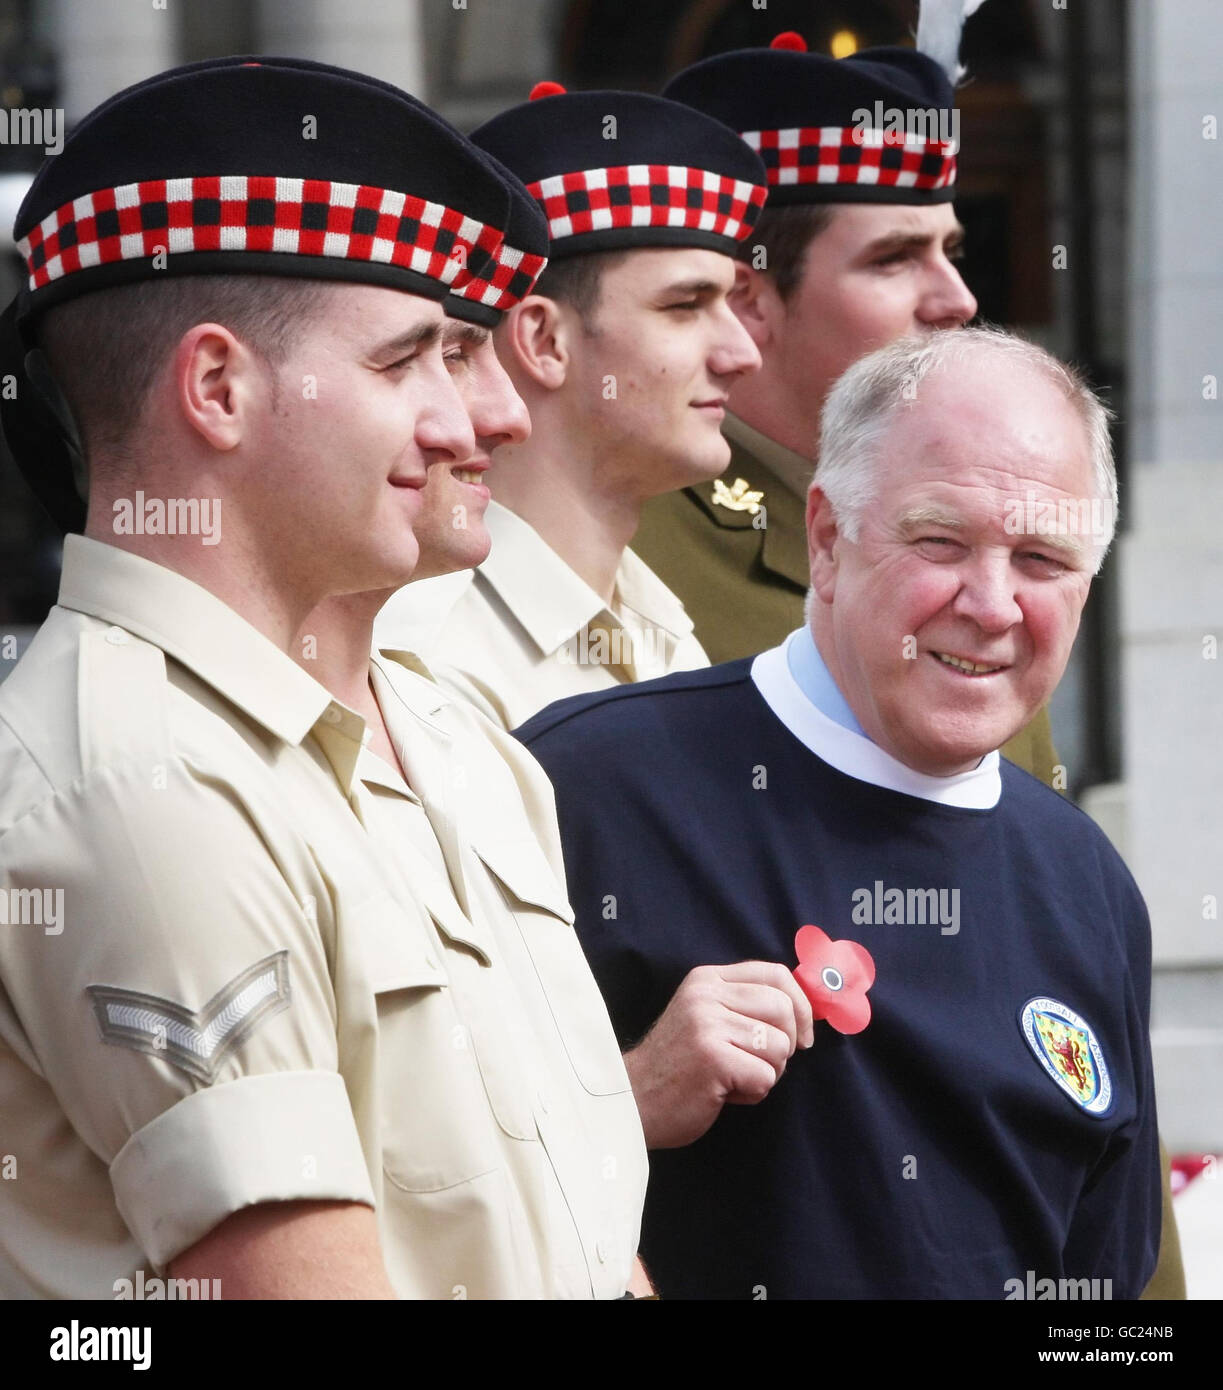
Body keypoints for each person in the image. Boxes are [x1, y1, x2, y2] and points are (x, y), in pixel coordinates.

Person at [0, 55, 645, 1300]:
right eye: (423, 357)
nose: (498, 413)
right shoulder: (140, 789)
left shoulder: (451, 733)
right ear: (218, 389)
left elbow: (587, 1244)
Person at [519, 327, 1161, 1299]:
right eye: (939, 540)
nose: (989, 604)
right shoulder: (580, 787)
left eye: (1039, 558)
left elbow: (1104, 1293)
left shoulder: (1087, 885)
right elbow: (425, 1190)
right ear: (826, 537)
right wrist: (624, 1096)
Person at [631, 30, 1061, 786]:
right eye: (893, 259)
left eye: (949, 252)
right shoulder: (631, 544)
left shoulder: (973, 540)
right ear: (747, 298)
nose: (957, 301)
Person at [376, 81, 767, 729]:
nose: (740, 353)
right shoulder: (431, 661)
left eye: (727, 303)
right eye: (684, 306)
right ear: (542, 340)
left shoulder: (663, 633)